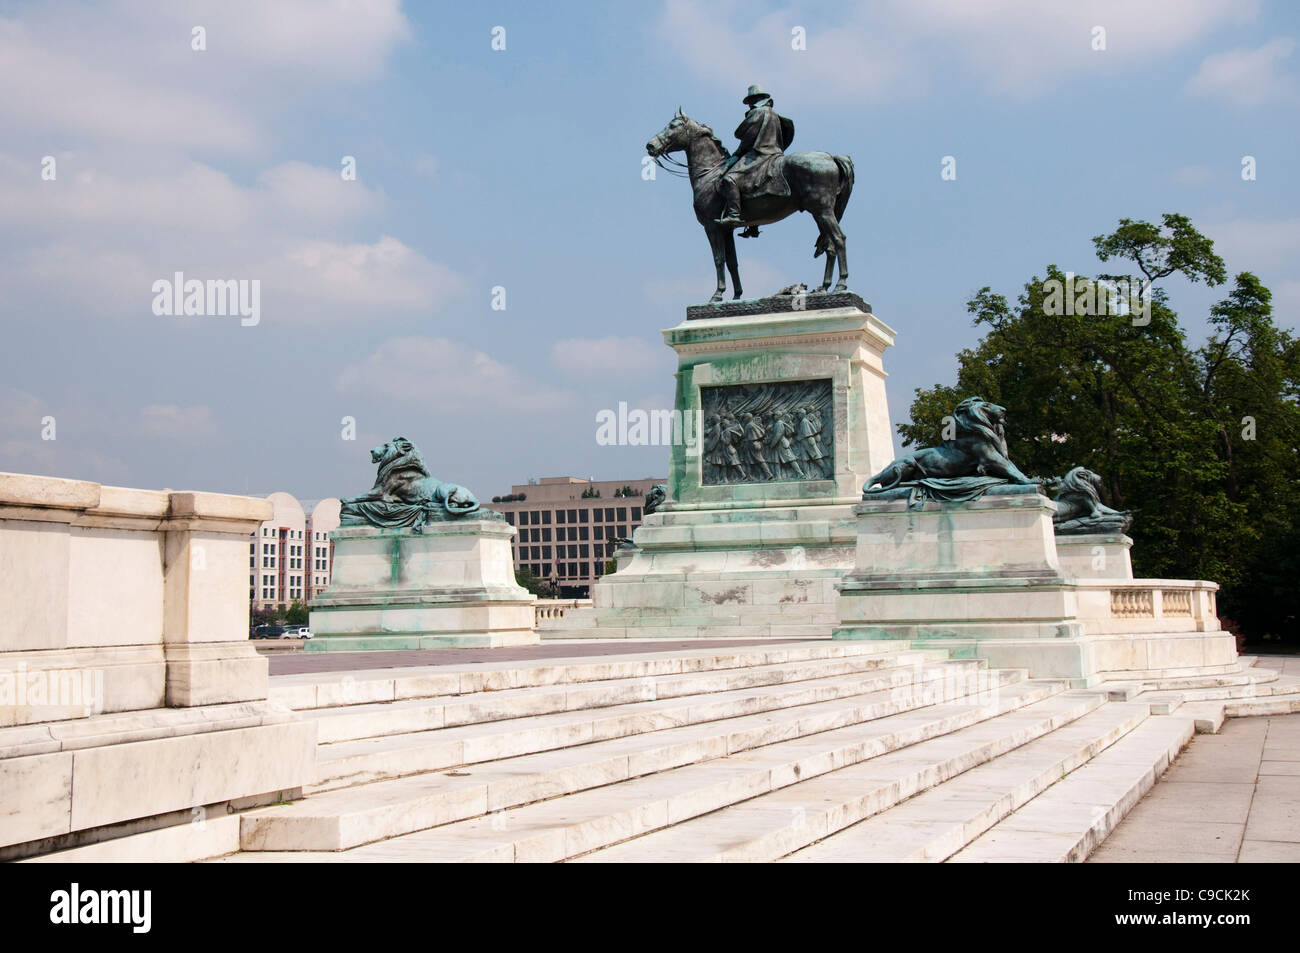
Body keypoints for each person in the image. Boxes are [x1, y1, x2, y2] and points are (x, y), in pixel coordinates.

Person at [716, 85, 795, 231]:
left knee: (730, 179)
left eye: (750, 101)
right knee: (753, 185)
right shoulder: (775, 115)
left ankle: (734, 214)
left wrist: (736, 155)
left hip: (759, 153)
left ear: (754, 100)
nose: (750, 105)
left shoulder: (757, 113)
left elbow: (742, 135)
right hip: (776, 152)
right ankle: (753, 225)